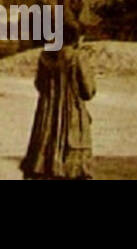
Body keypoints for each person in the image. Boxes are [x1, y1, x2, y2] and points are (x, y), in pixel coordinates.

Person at [20, 20, 95, 180]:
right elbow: (88, 91)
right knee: (74, 166)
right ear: (75, 37)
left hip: (46, 115)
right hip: (72, 115)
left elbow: (39, 84)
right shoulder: (79, 57)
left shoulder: (45, 56)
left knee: (44, 158)